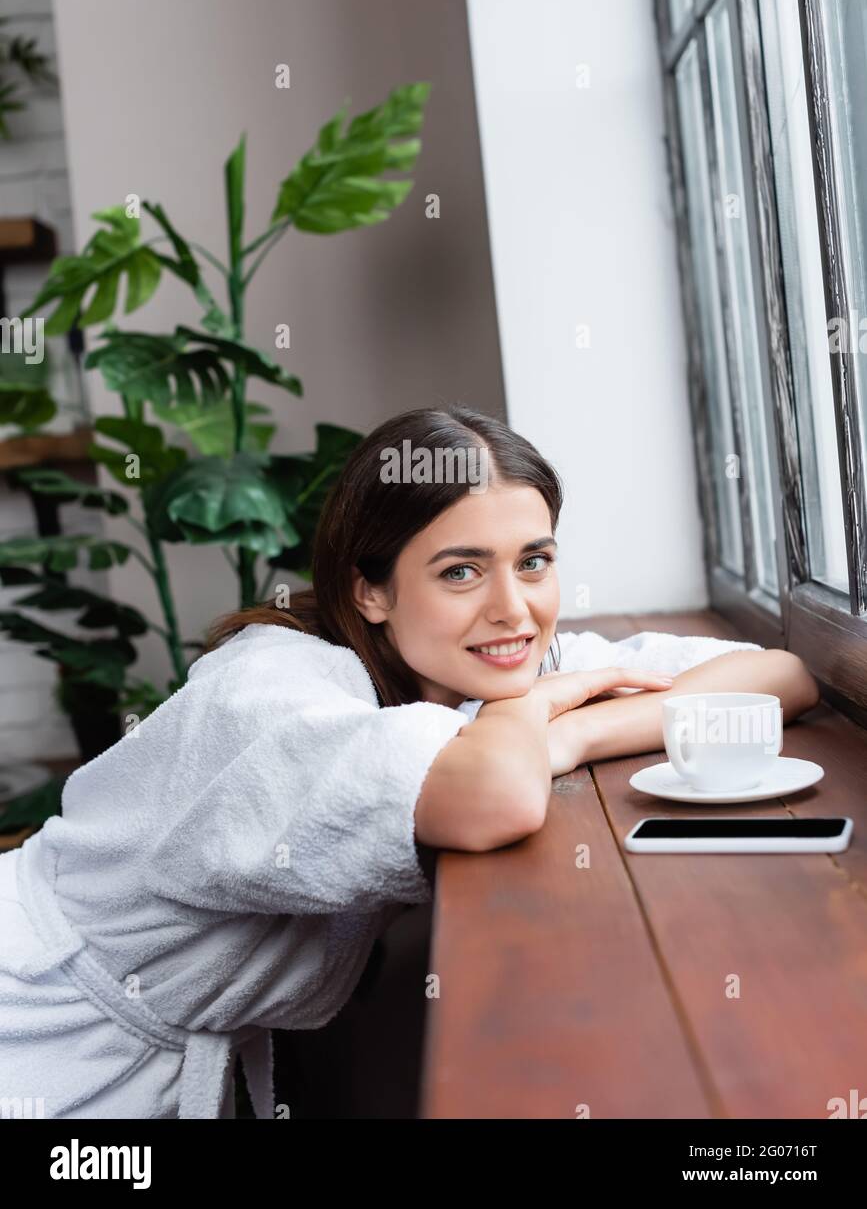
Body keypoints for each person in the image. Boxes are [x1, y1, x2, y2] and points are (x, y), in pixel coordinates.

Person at [0, 404, 819, 1119]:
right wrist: (539, 717)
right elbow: (495, 796)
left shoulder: (481, 658)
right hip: (39, 1030)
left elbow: (776, 675)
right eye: (460, 571)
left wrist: (557, 718)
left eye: (532, 561)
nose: (513, 608)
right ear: (372, 592)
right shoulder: (268, 690)